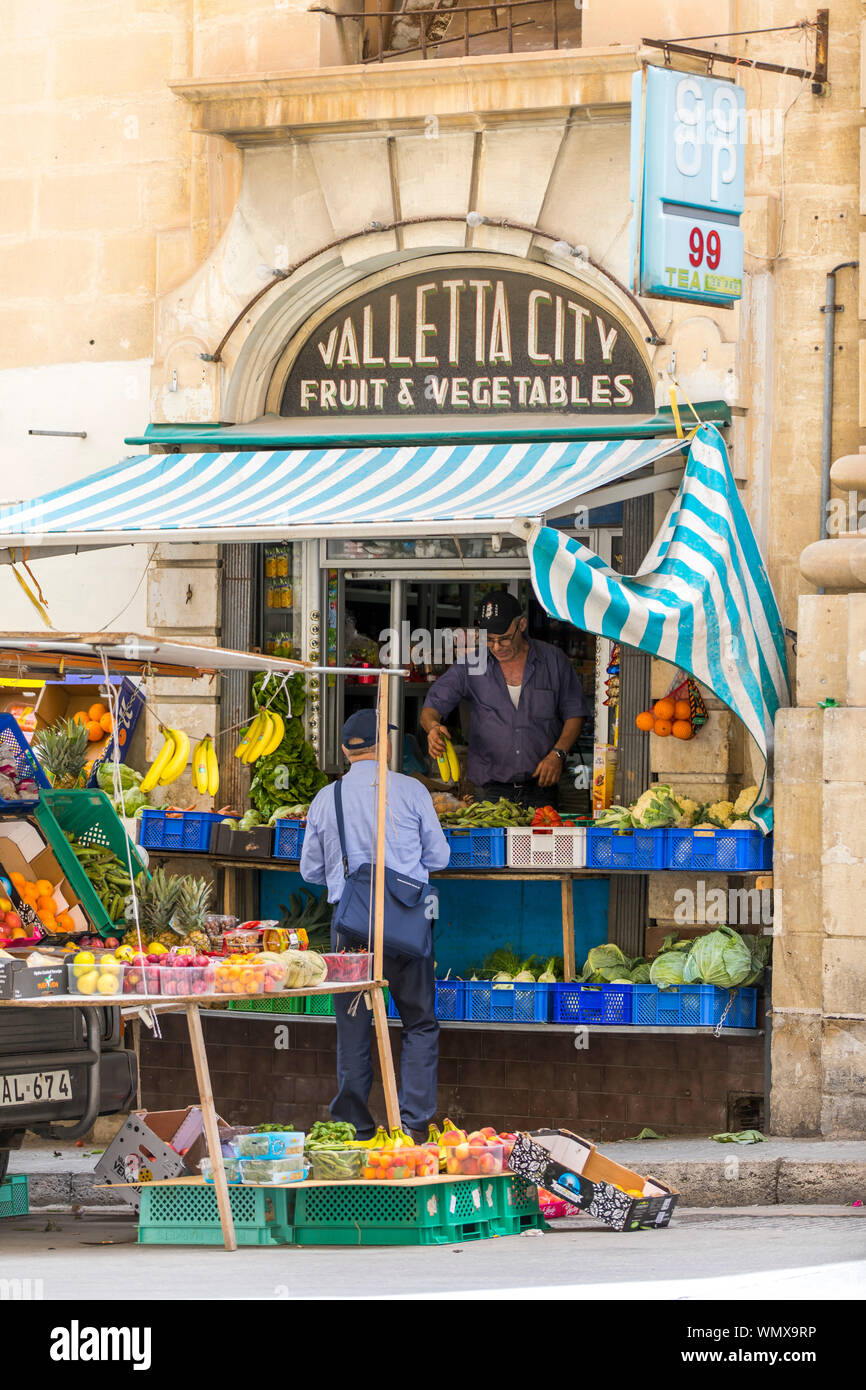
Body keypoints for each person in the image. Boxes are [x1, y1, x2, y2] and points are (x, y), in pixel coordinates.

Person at [299, 708, 450, 1140]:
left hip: (350, 930)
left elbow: (311, 871)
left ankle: (355, 1127)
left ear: (347, 750)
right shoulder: (411, 790)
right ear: (384, 745)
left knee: (353, 1026)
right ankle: (414, 1127)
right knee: (419, 1021)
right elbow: (439, 858)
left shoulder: (327, 798)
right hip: (407, 926)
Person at [420, 591, 588, 809]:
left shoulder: (553, 661)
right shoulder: (470, 666)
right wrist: (433, 727)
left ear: (522, 625)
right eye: (489, 640)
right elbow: (431, 707)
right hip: (488, 791)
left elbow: (575, 712)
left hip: (542, 789)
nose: (497, 647)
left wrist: (558, 753)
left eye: (504, 639)